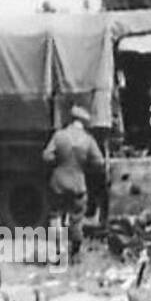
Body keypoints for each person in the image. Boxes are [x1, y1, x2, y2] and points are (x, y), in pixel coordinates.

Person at [42, 104, 104, 257]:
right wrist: (85, 166)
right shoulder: (88, 140)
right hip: (78, 184)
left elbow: (46, 156)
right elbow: (99, 162)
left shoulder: (59, 135)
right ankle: (74, 253)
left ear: (71, 119)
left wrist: (58, 161)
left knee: (55, 216)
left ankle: (58, 249)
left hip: (58, 183)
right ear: (83, 122)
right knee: (76, 218)